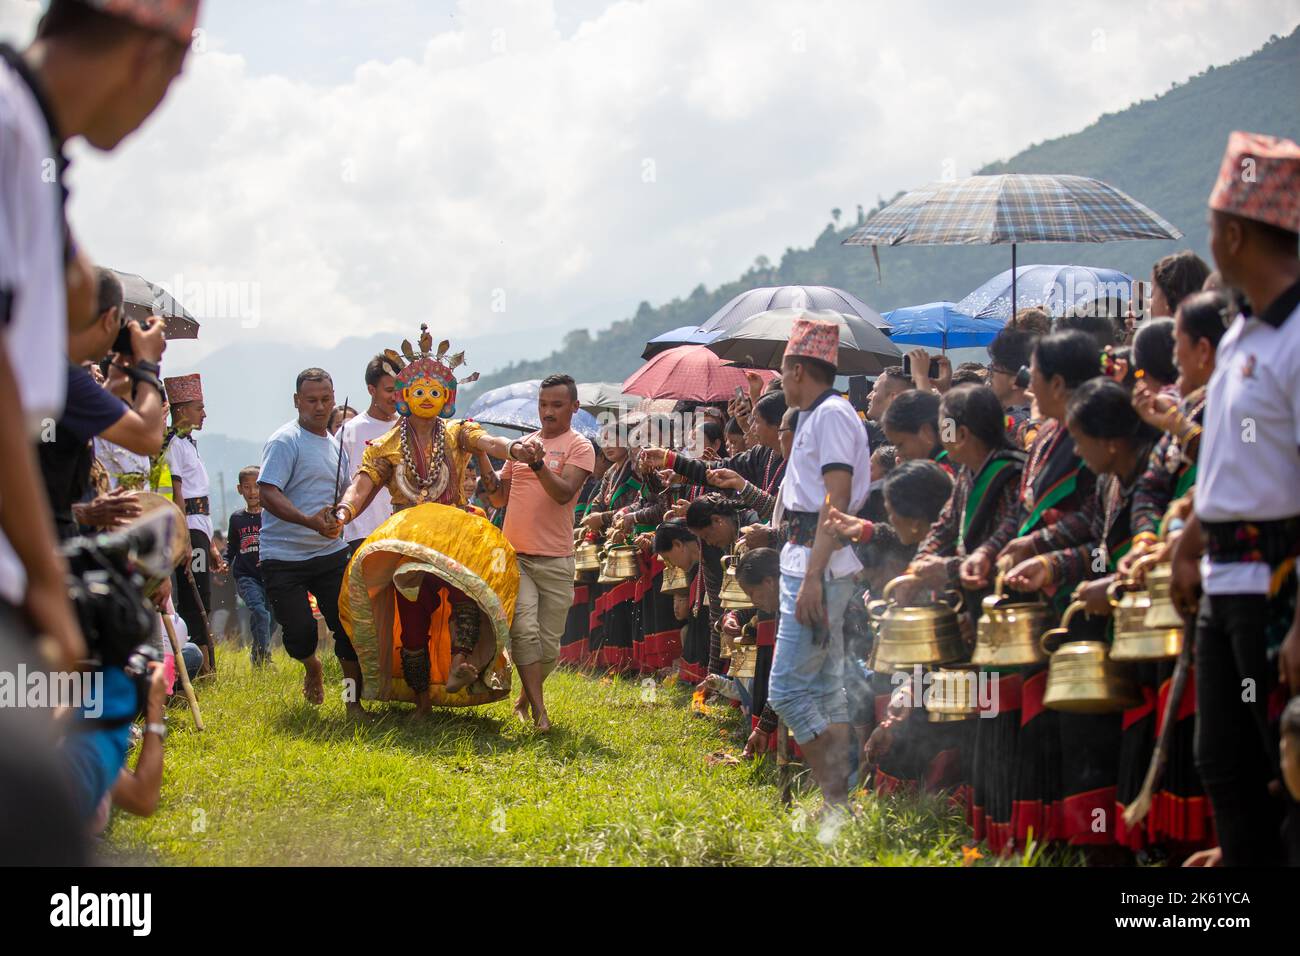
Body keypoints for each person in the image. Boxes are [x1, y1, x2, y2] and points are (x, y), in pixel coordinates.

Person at [0, 0, 201, 668]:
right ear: (153, 58)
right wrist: (48, 585)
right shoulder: (10, 128)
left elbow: (76, 284)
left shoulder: (29, 136)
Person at [1170, 131, 1300, 866]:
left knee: (1286, 773)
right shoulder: (1246, 329)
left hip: (1275, 588)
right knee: (1223, 761)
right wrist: (1189, 542)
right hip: (1222, 584)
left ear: (1235, 231)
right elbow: (1227, 462)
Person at [332, 330, 533, 716]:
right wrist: (343, 512)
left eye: (434, 391)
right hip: (406, 546)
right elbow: (363, 484)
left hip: (455, 539)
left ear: (447, 398)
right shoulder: (387, 444)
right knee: (412, 624)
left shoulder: (458, 434)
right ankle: (421, 701)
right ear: (404, 396)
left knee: (466, 597)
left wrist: (514, 448)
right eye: (418, 391)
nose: (426, 397)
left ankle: (461, 662)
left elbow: (488, 442)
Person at [769, 315, 871, 839]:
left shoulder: (831, 416)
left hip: (820, 563)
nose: (781, 379)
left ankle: (835, 800)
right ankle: (840, 804)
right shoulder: (814, 413)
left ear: (799, 368)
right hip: (809, 559)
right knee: (828, 690)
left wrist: (812, 576)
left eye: (784, 368)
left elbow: (835, 500)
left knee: (786, 690)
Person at [486, 374, 595, 732]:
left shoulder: (580, 446)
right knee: (525, 632)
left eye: (557, 405)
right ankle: (539, 712)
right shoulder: (522, 445)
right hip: (516, 555)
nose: (548, 412)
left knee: (549, 645)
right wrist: (483, 459)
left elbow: (564, 493)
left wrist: (538, 465)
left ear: (574, 407)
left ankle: (524, 699)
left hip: (557, 557)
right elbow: (498, 497)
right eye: (543, 404)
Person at [258, 368, 359, 711]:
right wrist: (308, 521)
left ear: (334, 397)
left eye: (326, 400)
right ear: (296, 401)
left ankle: (352, 704)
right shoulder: (285, 441)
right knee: (301, 634)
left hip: (329, 553)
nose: (319, 407)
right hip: (282, 557)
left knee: (347, 630)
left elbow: (346, 493)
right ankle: (311, 666)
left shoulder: (336, 446)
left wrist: (338, 517)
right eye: (312, 400)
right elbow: (267, 492)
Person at [42, 268, 166, 540]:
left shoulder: (43, 366)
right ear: (110, 318)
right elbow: (148, 437)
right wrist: (147, 367)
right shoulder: (67, 379)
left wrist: (112, 387)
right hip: (41, 550)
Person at [163, 372, 225, 673]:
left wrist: (210, 543)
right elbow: (177, 492)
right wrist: (184, 537)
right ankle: (200, 666)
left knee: (204, 593)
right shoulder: (174, 443)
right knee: (194, 594)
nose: (204, 414)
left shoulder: (190, 443)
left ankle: (206, 662)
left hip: (200, 527)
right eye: (198, 407)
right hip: (187, 526)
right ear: (181, 409)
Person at [337, 355, 398, 556]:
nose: (395, 396)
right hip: (361, 531)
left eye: (399, 390)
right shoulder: (350, 431)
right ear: (371, 390)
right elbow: (337, 481)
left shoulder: (408, 427)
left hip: (402, 530)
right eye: (389, 390)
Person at [225, 466, 273, 666]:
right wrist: (225, 562)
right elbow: (232, 546)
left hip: (270, 575)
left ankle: (257, 653)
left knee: (271, 618)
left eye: (256, 487)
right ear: (239, 489)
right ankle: (264, 659)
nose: (252, 492)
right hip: (246, 577)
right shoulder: (237, 518)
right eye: (247, 487)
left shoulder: (271, 516)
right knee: (260, 612)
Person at [882, 388, 951, 474]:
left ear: (926, 433)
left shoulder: (939, 475)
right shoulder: (952, 456)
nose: (897, 454)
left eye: (900, 445)